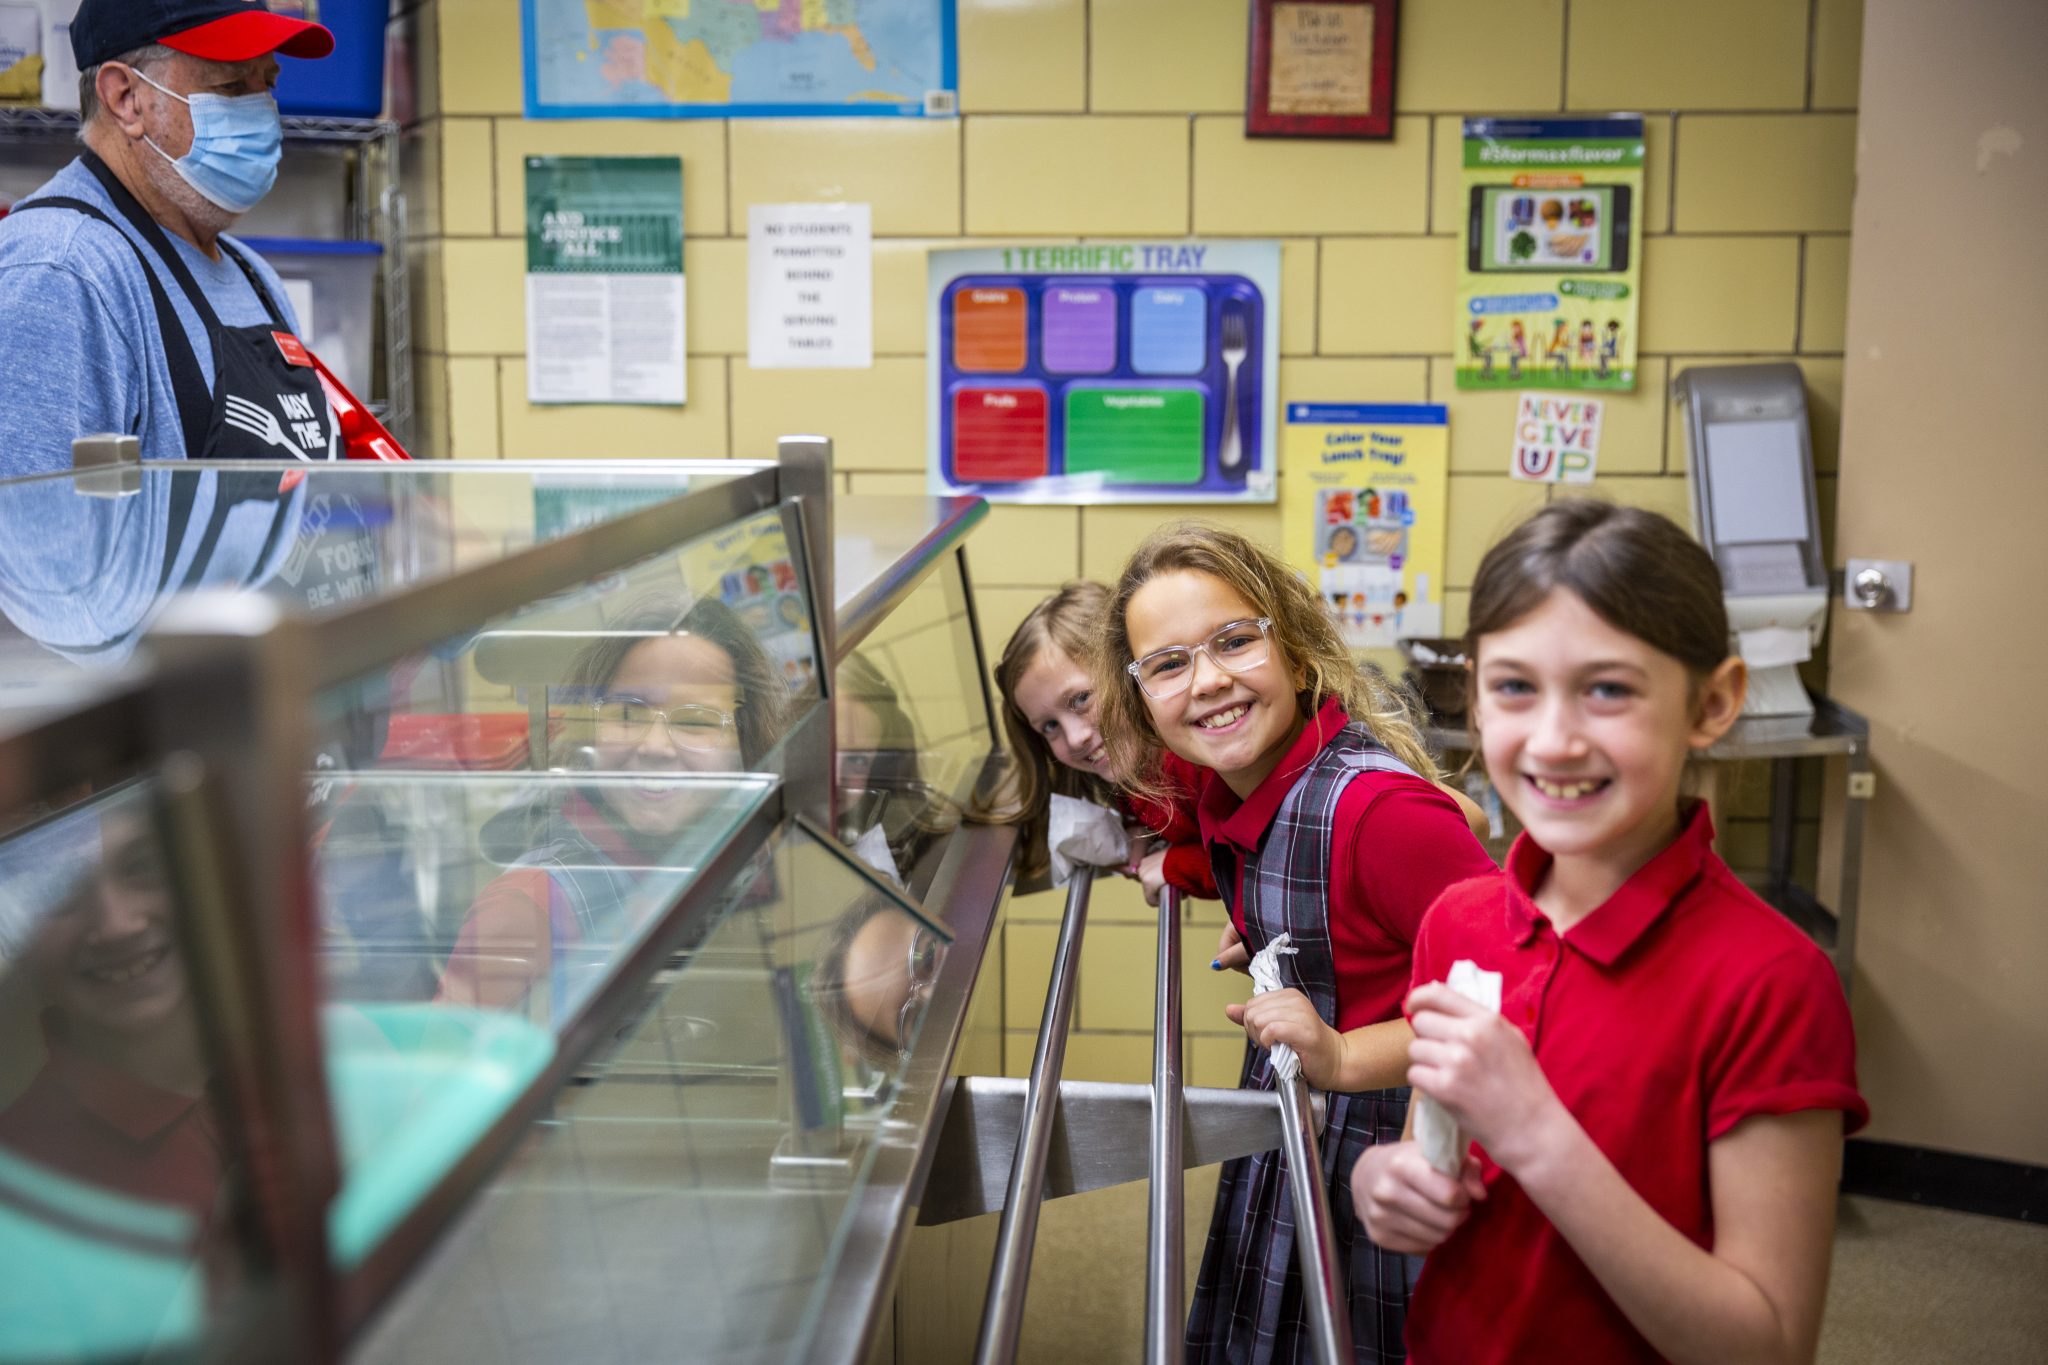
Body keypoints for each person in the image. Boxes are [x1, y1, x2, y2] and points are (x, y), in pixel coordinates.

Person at [1350, 501, 1867, 1365]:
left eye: (1609, 689)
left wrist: (1538, 1136)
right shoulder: (1459, 923)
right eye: (1514, 686)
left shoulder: (1773, 982)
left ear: (1712, 702)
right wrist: (1388, 1182)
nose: (1554, 740)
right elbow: (1430, 1146)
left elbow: (1766, 1345)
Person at [1092, 523, 1497, 1364]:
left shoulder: (1377, 814)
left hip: (1398, 1154)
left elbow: (1516, 1005)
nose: (1208, 679)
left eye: (1235, 641)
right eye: (1168, 664)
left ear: (1300, 655)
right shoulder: (1235, 788)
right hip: (1310, 1135)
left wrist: (1343, 1053)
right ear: (1143, 704)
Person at [0, 0, 341, 659]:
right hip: (137, 711)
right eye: (231, 87)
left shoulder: (252, 276)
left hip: (243, 682)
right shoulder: (62, 270)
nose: (263, 112)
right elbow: (56, 594)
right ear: (125, 98)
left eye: (267, 83)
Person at [437, 596, 787, 1020]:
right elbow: (449, 1055)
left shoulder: (748, 857)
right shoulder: (528, 906)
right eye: (627, 714)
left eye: (696, 721)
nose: (655, 746)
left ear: (744, 746)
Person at [991, 581, 1216, 905]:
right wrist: (1141, 826)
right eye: (1050, 726)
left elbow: (1259, 861)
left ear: (1129, 669)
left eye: (1081, 698)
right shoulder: (1132, 765)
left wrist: (1175, 865)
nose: (1075, 737)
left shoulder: (1199, 761)